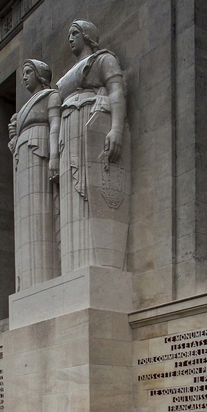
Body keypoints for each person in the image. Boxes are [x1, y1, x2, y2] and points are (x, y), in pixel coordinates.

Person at [56, 20, 130, 272]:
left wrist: (116, 128)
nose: (70, 39)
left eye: (75, 33)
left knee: (89, 191)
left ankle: (96, 264)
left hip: (90, 125)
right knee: (73, 199)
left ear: (87, 36)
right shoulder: (65, 79)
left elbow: (116, 90)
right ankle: (75, 268)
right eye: (69, 34)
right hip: (69, 131)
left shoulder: (103, 59)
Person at [8, 59, 62, 290]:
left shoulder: (51, 96)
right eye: (24, 73)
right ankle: (28, 285)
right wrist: (14, 137)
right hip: (24, 160)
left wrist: (54, 157)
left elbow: (55, 126)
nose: (24, 77)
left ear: (40, 75)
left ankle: (44, 281)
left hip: (40, 151)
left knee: (42, 214)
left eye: (28, 72)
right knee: (26, 222)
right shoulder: (20, 113)